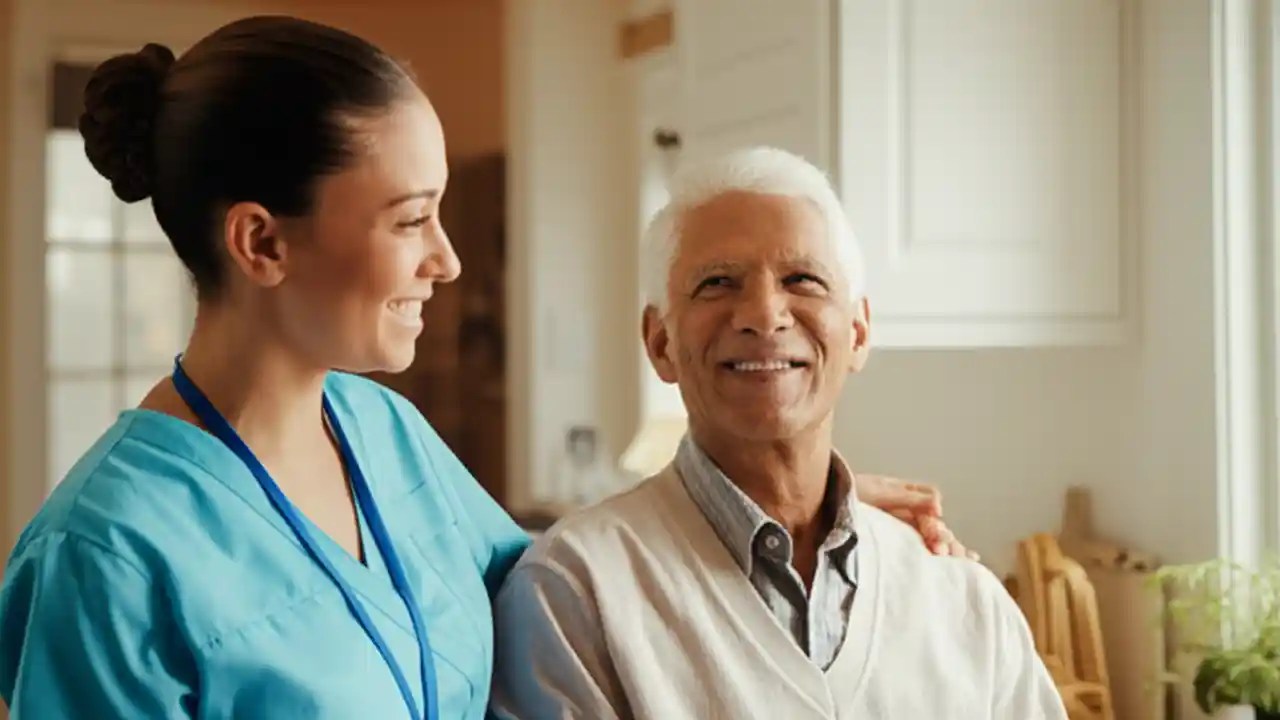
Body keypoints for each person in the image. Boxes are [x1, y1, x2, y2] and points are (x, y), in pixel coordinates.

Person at [0, 16, 971, 720]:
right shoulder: (103, 557)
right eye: (410, 219)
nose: (448, 259)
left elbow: (572, 577)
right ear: (262, 242)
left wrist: (791, 512)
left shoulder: (382, 433)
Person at [490, 147, 1068, 719]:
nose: (765, 314)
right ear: (660, 342)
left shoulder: (963, 601)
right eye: (717, 282)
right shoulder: (575, 591)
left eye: (802, 279)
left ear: (858, 333)